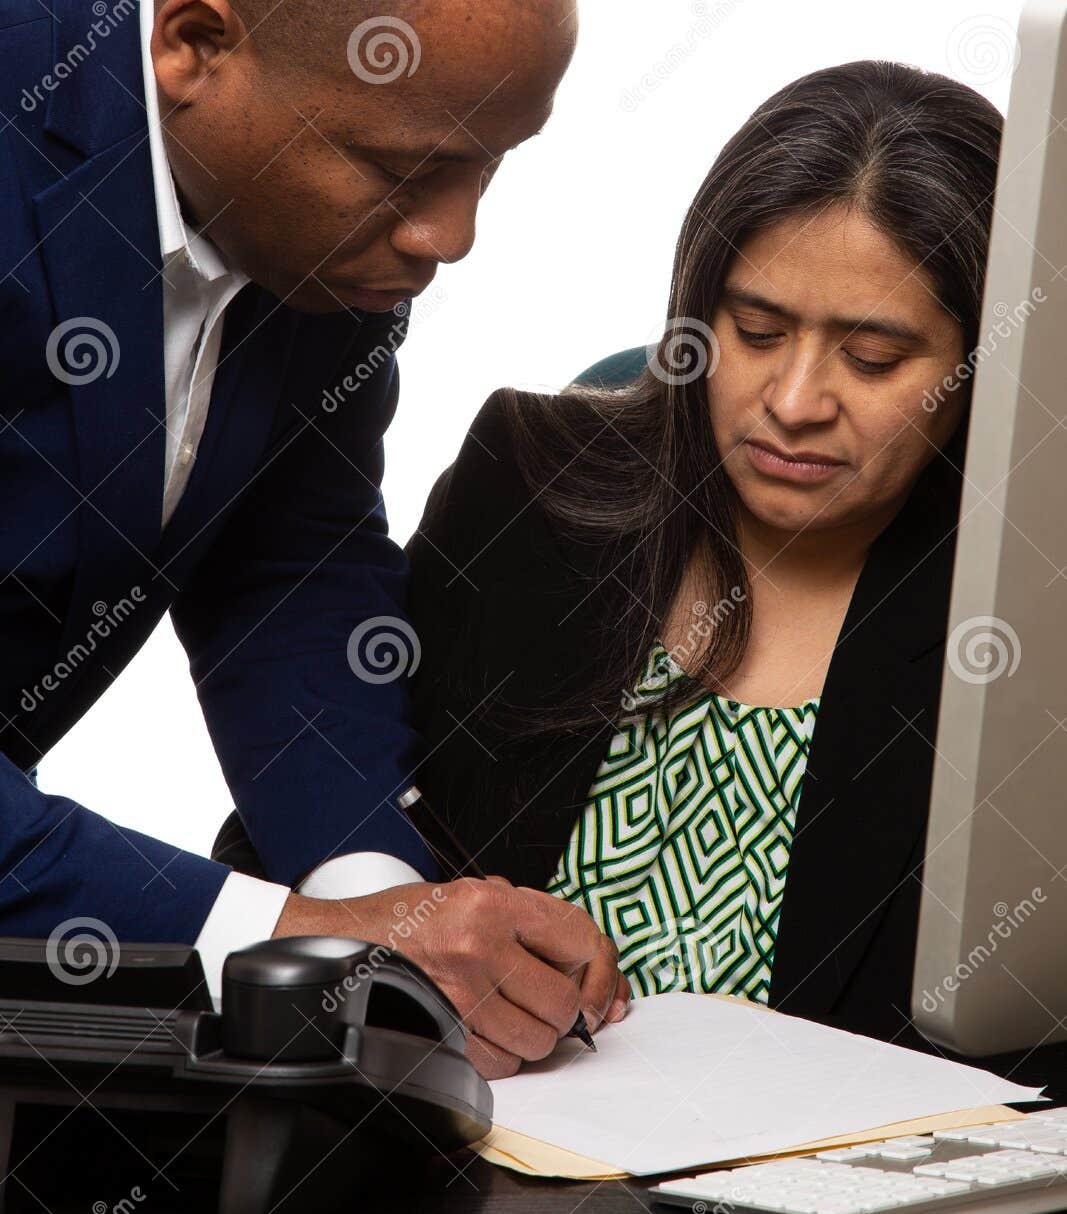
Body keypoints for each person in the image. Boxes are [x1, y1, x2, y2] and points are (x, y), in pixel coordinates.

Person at [0, 0, 624, 1067]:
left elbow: (288, 545)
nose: (449, 235)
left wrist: (379, 907)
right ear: (194, 43)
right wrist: (292, 937)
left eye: (486, 166)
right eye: (406, 171)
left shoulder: (321, 118)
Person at [403, 59, 1004, 1057]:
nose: (794, 400)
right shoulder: (525, 485)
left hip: (824, 1201)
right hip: (473, 1169)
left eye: (871, 359)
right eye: (755, 330)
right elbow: (309, 856)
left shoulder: (1013, 618)